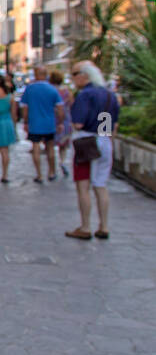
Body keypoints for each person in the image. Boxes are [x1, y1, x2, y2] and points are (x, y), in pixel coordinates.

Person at [65, 60, 120, 240]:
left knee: (83, 185)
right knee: (101, 185)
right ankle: (104, 225)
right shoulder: (110, 96)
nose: (73, 79)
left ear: (84, 76)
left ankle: (86, 226)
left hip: (86, 141)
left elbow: (79, 123)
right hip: (105, 140)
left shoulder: (85, 95)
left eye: (75, 75)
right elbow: (112, 125)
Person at [19, 65, 66, 183]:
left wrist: (25, 122)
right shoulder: (52, 89)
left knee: (36, 148)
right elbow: (60, 109)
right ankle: (51, 172)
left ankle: (39, 174)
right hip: (49, 123)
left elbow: (25, 108)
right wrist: (60, 122)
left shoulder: (29, 89)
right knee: (50, 148)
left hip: (35, 123)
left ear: (36, 75)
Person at [50, 70, 73, 174]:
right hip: (65, 119)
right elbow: (72, 104)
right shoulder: (67, 92)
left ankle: (52, 168)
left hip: (52, 118)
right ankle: (62, 161)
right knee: (63, 143)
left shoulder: (50, 91)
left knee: (50, 144)